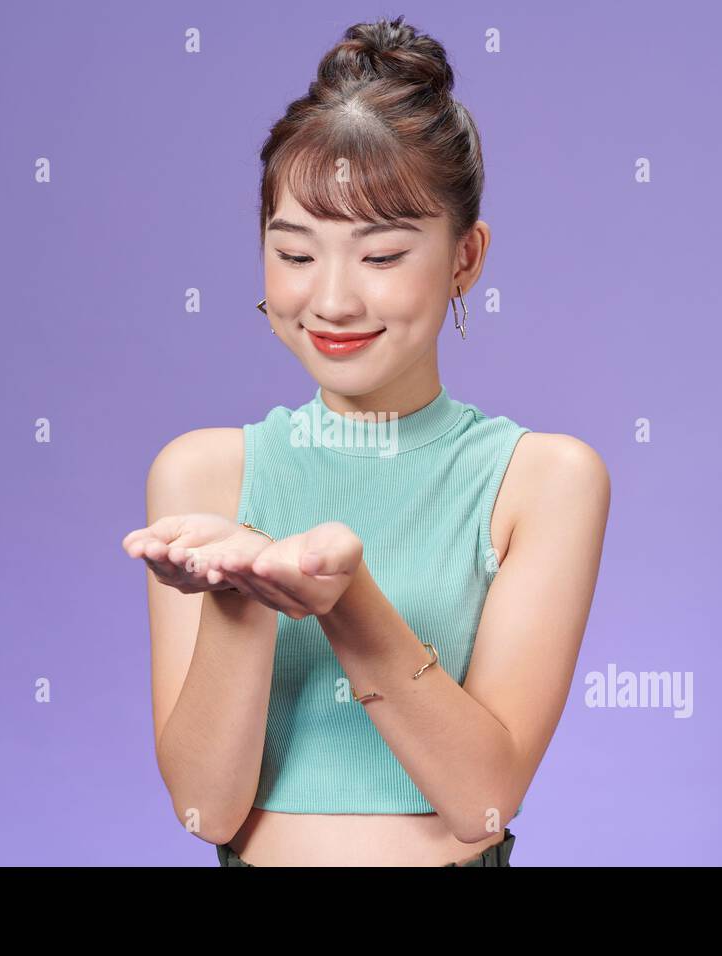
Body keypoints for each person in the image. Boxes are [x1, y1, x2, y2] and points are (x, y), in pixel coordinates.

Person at [122, 15, 610, 866]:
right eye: (295, 255)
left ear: (466, 259)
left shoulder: (540, 479)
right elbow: (205, 811)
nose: (333, 301)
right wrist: (241, 590)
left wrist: (346, 599)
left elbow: (483, 800)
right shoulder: (201, 474)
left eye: (381, 256)